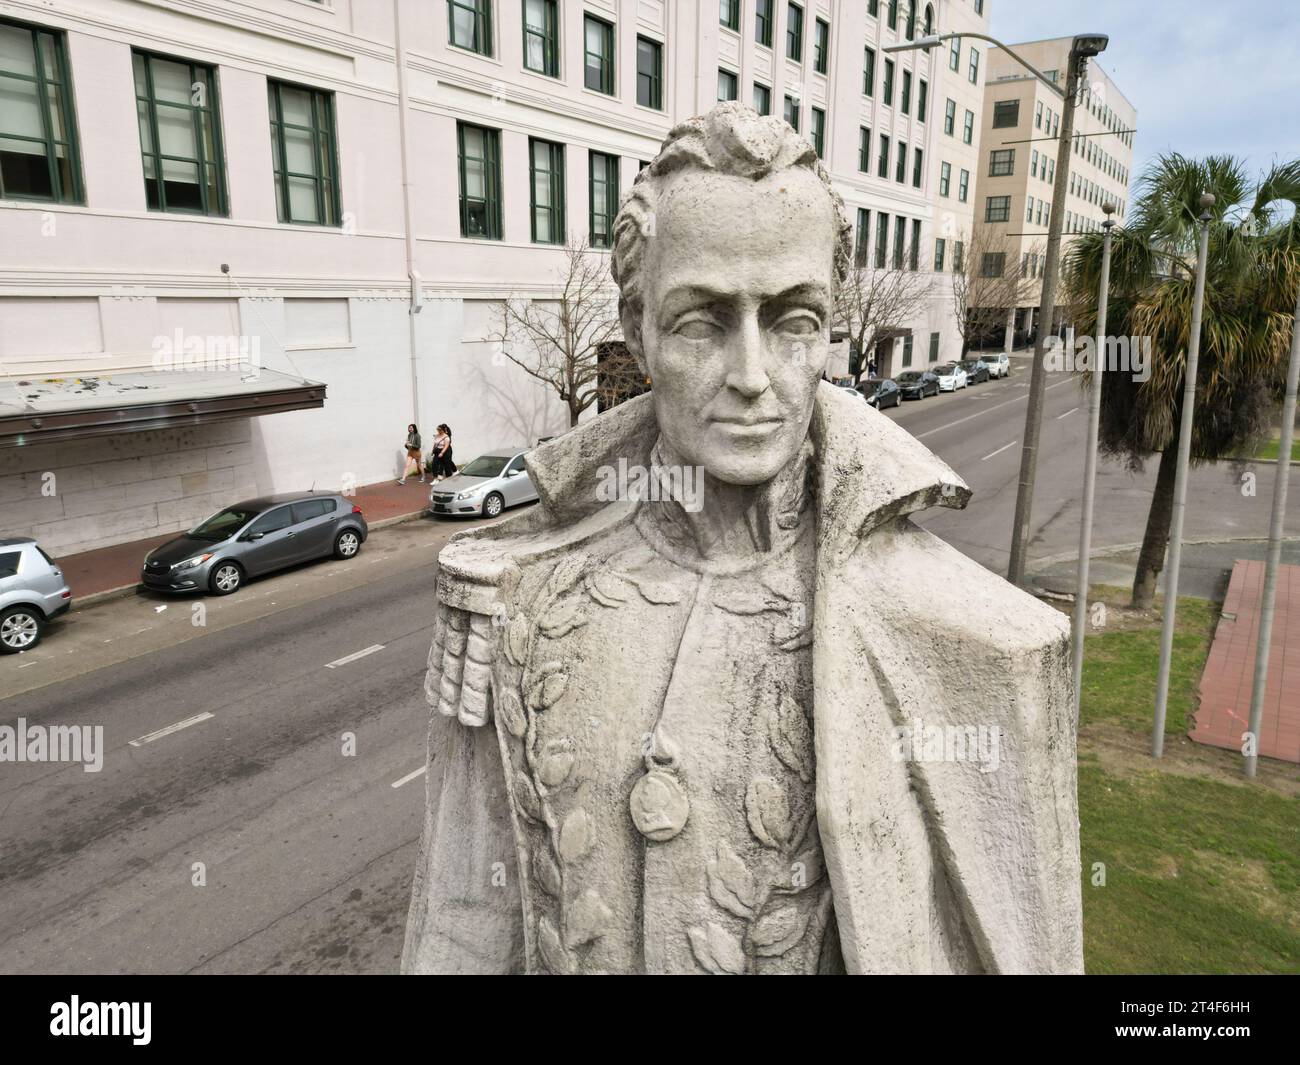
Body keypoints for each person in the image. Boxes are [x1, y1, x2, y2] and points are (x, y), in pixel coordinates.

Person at [402, 104, 1080, 975]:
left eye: (794, 320)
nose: (753, 377)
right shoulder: (516, 599)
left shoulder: (973, 643)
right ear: (638, 323)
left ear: (831, 325)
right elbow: (462, 924)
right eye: (702, 322)